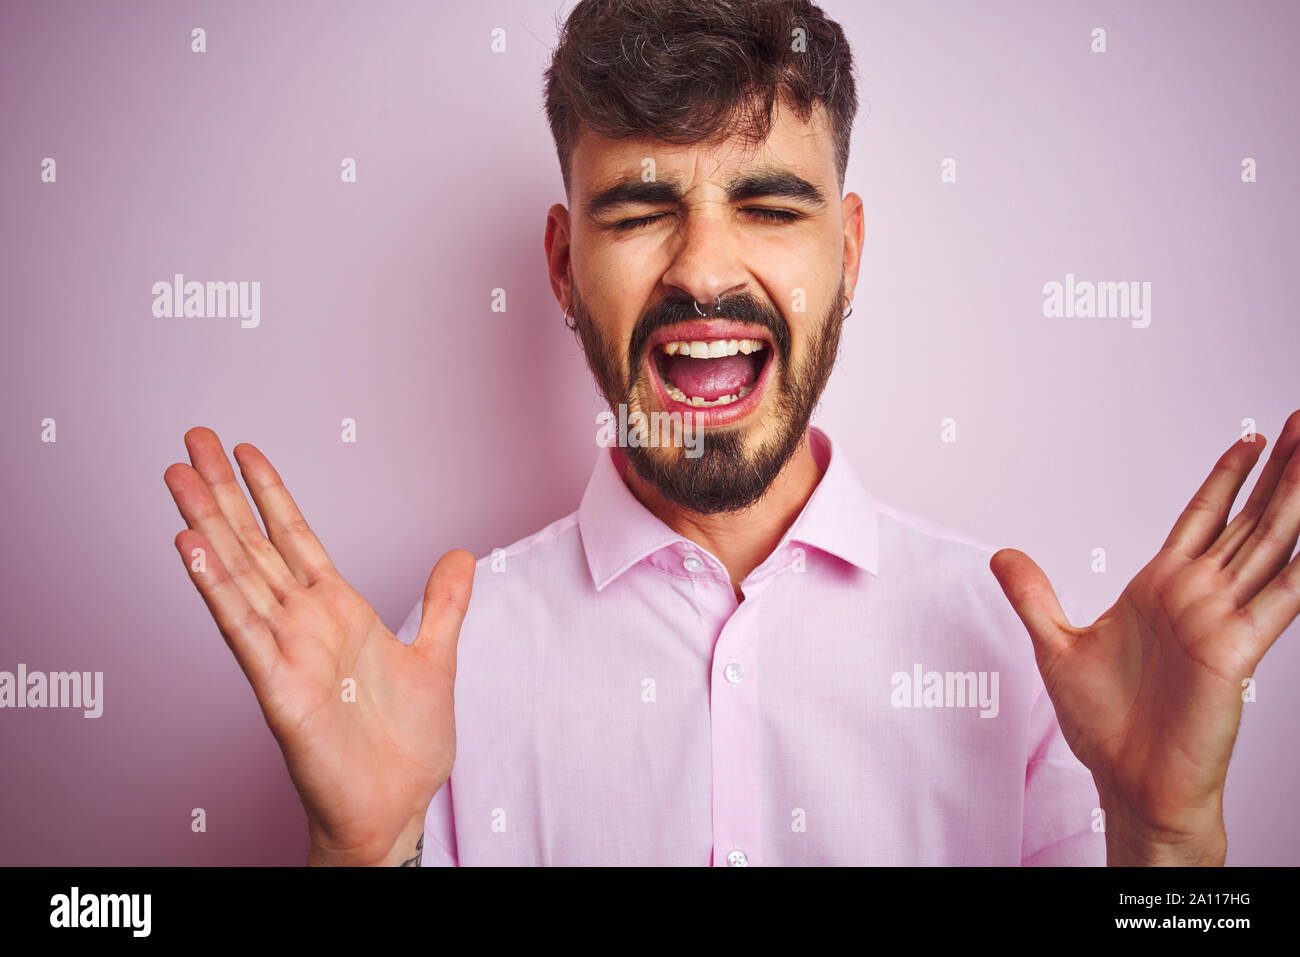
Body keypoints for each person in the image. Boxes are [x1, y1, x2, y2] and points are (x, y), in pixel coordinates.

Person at [163, 0, 1300, 866]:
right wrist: (360, 860)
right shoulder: (435, 674)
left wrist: (1169, 838)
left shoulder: (1022, 661)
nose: (705, 268)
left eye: (766, 205)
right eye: (642, 210)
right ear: (563, 265)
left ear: (847, 256)